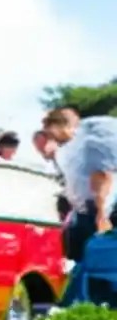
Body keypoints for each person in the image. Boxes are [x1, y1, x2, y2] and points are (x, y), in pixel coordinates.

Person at [42, 107, 117, 259]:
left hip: (102, 210)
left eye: (51, 132)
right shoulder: (69, 146)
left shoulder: (90, 137)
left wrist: (102, 213)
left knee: (103, 260)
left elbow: (102, 173)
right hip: (84, 212)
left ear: (61, 125)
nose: (51, 137)